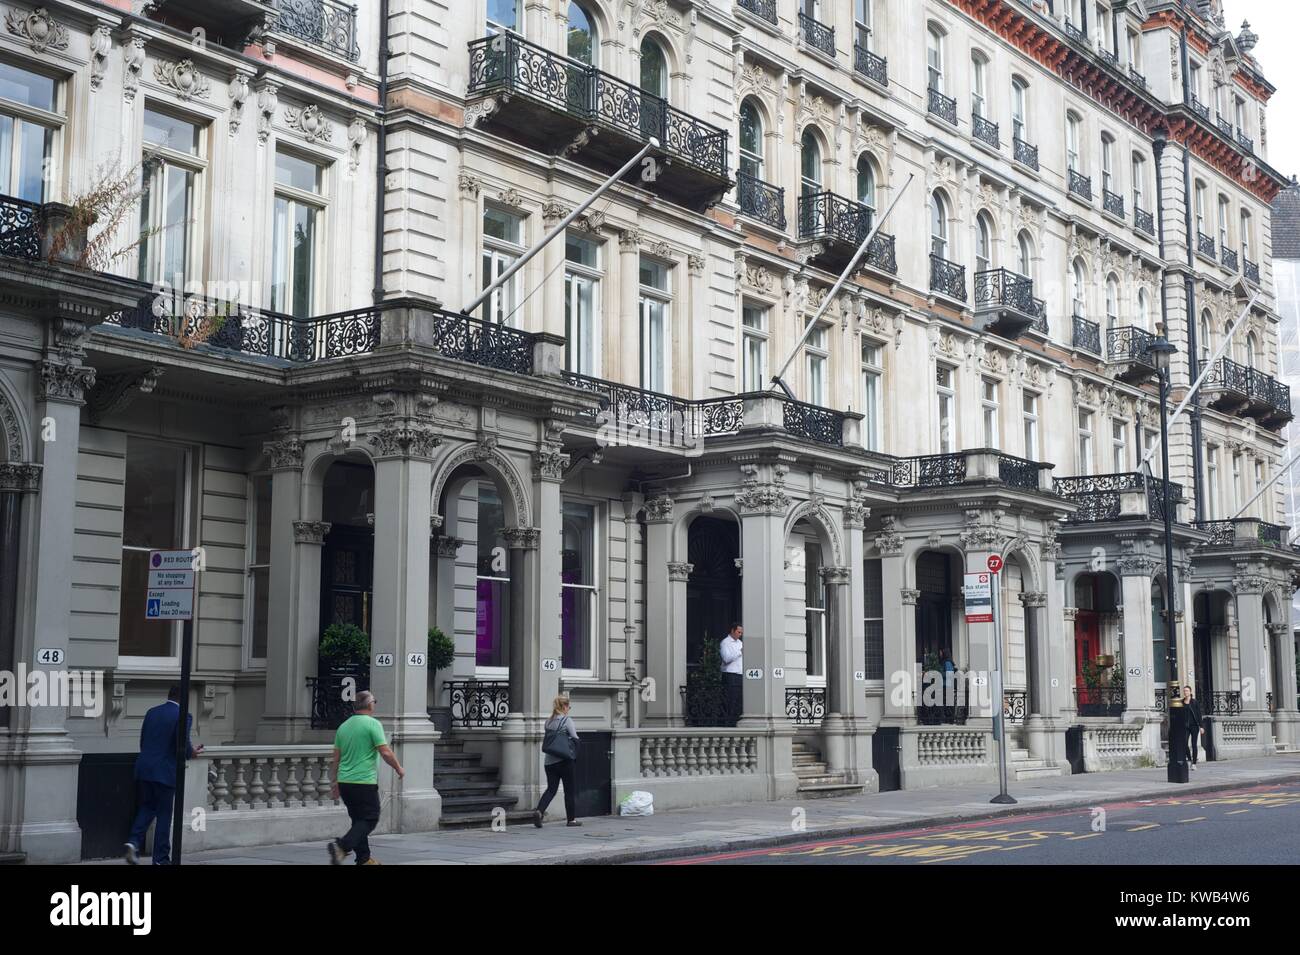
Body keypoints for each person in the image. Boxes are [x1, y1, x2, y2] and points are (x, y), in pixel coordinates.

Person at [125, 685, 203, 865]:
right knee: (164, 815)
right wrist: (191, 753)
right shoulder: (183, 715)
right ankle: (160, 859)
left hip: (145, 768)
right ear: (184, 699)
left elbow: (143, 740)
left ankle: (133, 841)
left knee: (147, 807)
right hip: (165, 771)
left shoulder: (152, 712)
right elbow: (180, 743)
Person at [327, 691, 405, 865]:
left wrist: (334, 782)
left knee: (358, 820)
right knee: (370, 818)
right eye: (374, 701)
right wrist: (398, 768)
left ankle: (364, 859)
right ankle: (342, 846)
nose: (374, 704)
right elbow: (385, 751)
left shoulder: (343, 726)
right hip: (363, 782)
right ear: (370, 705)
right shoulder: (373, 724)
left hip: (345, 782)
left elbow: (336, 759)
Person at [535, 695, 581, 827]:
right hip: (565, 761)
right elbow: (575, 738)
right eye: (568, 707)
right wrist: (576, 753)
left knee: (551, 789)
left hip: (549, 762)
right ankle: (571, 819)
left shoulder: (548, 722)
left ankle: (539, 811)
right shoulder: (567, 720)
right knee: (569, 791)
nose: (569, 709)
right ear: (564, 706)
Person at [720, 623, 744, 726]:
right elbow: (726, 658)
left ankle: (736, 720)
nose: (740, 634)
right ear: (732, 631)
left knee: (738, 699)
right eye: (739, 632)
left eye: (741, 633)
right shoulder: (725, 643)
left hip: (740, 674)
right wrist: (740, 652)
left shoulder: (740, 642)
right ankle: (728, 722)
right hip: (730, 674)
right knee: (730, 699)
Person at [1183, 684, 1205, 770]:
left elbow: (1199, 715)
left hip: (1194, 726)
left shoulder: (1194, 702)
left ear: (1190, 692)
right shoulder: (1182, 702)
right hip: (1185, 726)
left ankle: (1194, 763)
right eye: (1184, 691)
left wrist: (1201, 726)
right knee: (1184, 743)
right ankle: (1189, 759)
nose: (1185, 692)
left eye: (1187, 691)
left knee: (1194, 744)